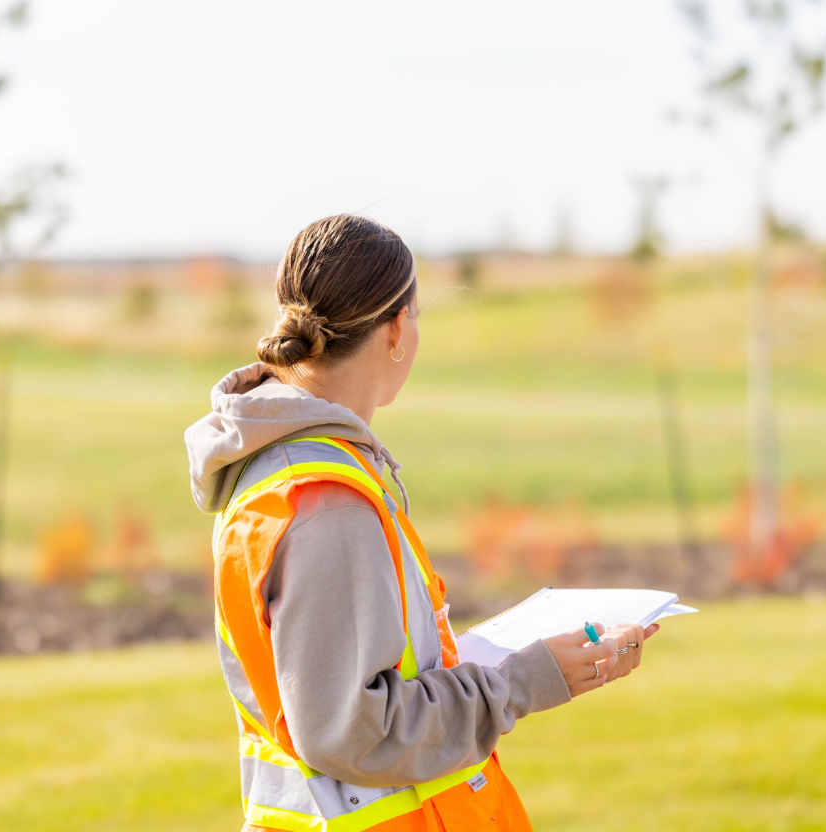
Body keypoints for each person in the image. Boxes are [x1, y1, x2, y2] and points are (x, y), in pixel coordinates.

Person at [185, 214, 661, 832]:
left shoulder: (306, 469)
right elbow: (352, 730)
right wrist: (522, 682)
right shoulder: (325, 501)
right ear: (397, 328)